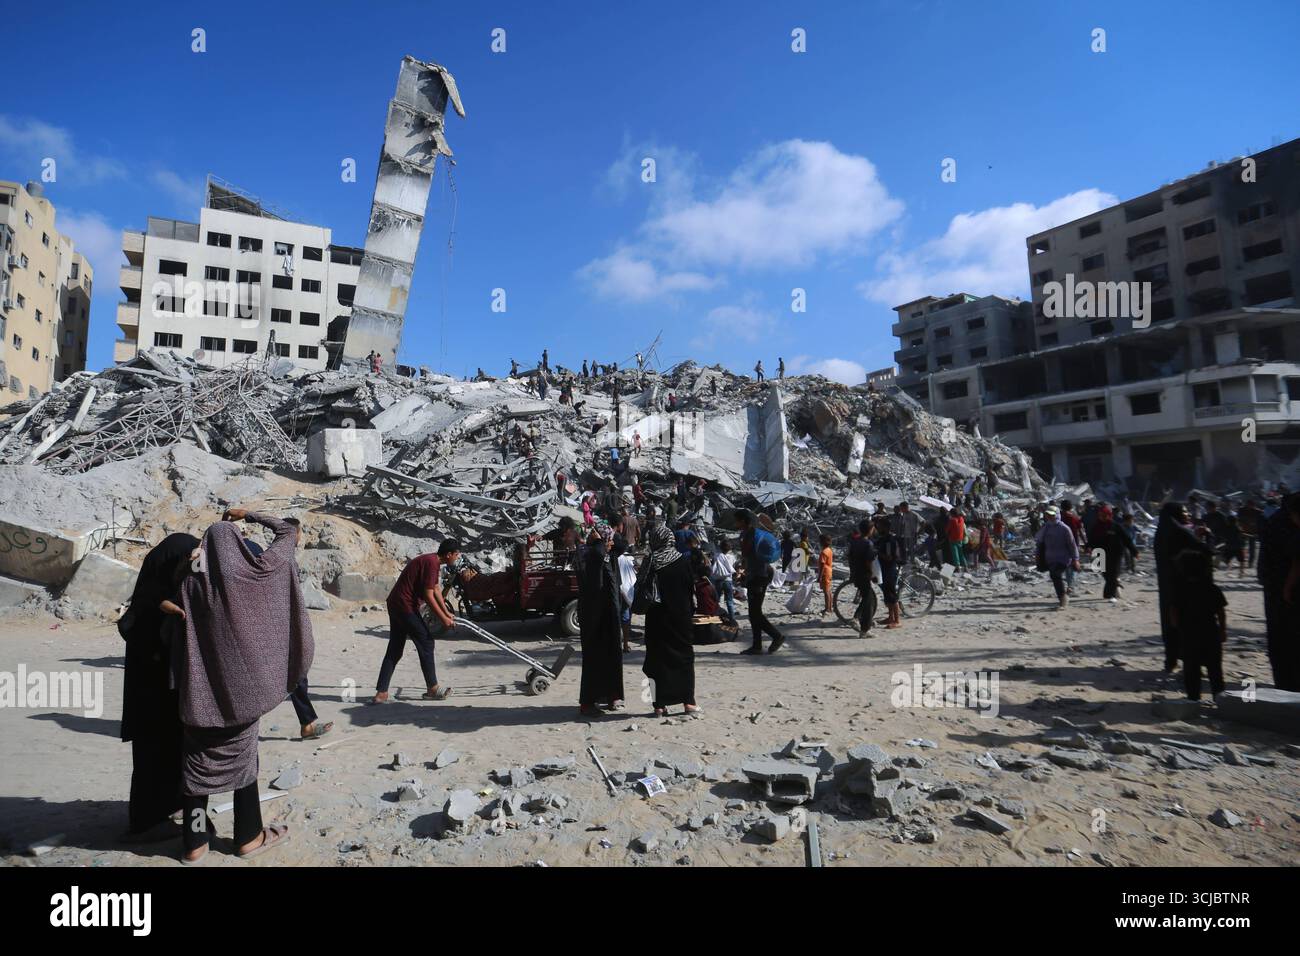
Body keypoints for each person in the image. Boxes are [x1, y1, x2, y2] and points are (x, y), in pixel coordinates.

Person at [170, 510, 312, 863]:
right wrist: (247, 514)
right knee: (243, 765)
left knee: (198, 771)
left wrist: (191, 559)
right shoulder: (261, 570)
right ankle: (248, 837)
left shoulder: (190, 586)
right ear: (237, 545)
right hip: (245, 695)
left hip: (201, 696)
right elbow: (287, 531)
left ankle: (195, 842)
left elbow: (171, 586)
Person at [119, 532, 199, 841]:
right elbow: (146, 638)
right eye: (184, 560)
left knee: (172, 750)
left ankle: (169, 806)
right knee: (153, 755)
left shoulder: (167, 592)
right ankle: (145, 823)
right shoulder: (151, 600)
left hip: (166, 693)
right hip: (151, 695)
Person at [241, 523, 332, 741]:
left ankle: (307, 723)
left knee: (297, 672)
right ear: (294, 533)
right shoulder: (274, 558)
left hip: (277, 626)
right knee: (286, 673)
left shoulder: (270, 556)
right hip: (271, 628)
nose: (300, 537)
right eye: (299, 532)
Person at [371, 541, 460, 704]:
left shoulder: (432, 561)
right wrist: (443, 619)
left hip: (396, 604)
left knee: (395, 648)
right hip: (405, 606)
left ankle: (381, 693)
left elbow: (436, 589)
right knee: (426, 642)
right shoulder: (432, 562)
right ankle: (432, 688)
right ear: (449, 554)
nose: (457, 557)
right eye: (456, 554)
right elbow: (428, 595)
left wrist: (447, 613)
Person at [639, 525, 699, 717]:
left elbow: (640, 585)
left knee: (655, 661)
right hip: (680, 617)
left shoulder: (651, 561)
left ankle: (658, 705)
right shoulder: (682, 560)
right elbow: (691, 588)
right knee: (684, 658)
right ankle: (688, 702)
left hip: (657, 617)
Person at [1153, 503, 1212, 673]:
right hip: (1187, 587)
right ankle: (1193, 662)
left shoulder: (1162, 532)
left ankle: (1171, 660)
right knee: (1189, 625)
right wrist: (1205, 536)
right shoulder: (1180, 532)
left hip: (1167, 587)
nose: (1187, 514)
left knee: (1170, 623)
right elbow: (1204, 552)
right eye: (1185, 511)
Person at [577, 530, 625, 717]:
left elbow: (622, 546)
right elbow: (596, 557)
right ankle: (588, 702)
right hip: (593, 617)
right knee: (593, 660)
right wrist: (598, 542)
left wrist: (611, 540)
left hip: (608, 617)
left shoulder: (606, 556)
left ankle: (613, 696)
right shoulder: (586, 555)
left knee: (612, 657)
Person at [1170, 549, 1227, 701]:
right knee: (1215, 670)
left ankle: (1193, 698)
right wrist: (1222, 630)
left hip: (1189, 634)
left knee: (1191, 670)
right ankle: (1219, 698)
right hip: (1210, 633)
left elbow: (1174, 612)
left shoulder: (1180, 589)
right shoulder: (1212, 588)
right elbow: (1221, 612)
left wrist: (1177, 627)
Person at [1257, 493, 1300, 691]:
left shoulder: (1276, 522)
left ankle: (1286, 684)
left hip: (1277, 589)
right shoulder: (1284, 526)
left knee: (1282, 640)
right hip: (1282, 590)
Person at [735, 509, 785, 654]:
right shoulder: (749, 534)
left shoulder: (751, 536)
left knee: (755, 613)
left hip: (759, 575)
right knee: (753, 613)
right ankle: (757, 646)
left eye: (737, 520)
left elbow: (750, 556)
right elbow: (748, 558)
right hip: (759, 574)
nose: (735, 523)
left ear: (744, 521)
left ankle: (777, 636)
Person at [1087, 504, 1137, 602]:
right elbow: (1091, 538)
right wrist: (1088, 547)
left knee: (1113, 573)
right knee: (1103, 573)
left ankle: (1110, 595)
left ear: (1109, 515)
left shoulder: (1116, 526)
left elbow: (1126, 539)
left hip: (1115, 553)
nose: (1102, 517)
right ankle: (1115, 586)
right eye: (1100, 515)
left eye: (1104, 515)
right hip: (1099, 552)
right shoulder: (1096, 526)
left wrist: (1134, 551)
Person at [1036, 507, 1080, 610]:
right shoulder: (1046, 528)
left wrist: (1076, 559)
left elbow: (1072, 545)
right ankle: (1062, 598)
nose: (1050, 517)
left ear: (1057, 515)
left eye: (1052, 515)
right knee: (1054, 577)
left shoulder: (1064, 528)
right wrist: (1038, 557)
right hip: (1050, 558)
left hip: (1063, 558)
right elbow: (1040, 543)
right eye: (1048, 515)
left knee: (1055, 574)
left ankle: (1063, 599)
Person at [847, 520, 878, 637]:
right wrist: (872, 574)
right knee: (868, 601)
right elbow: (868, 561)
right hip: (864, 575)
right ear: (870, 530)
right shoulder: (868, 544)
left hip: (856, 573)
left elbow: (849, 557)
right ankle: (864, 629)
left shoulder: (854, 541)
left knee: (866, 598)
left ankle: (860, 622)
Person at [874, 516, 903, 628]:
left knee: (892, 595)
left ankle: (897, 620)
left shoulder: (890, 540)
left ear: (885, 527)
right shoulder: (883, 538)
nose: (878, 527)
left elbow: (889, 557)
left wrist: (877, 553)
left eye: (880, 526)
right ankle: (890, 617)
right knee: (887, 594)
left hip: (890, 569)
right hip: (883, 569)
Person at [1059, 501, 1084, 594]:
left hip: (1061, 544)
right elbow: (1080, 531)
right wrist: (1085, 542)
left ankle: (1069, 584)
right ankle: (1070, 585)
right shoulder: (1074, 518)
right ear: (1071, 508)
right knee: (1073, 563)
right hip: (1074, 544)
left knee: (1067, 564)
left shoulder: (1059, 518)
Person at [710, 538, 737, 622]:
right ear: (730, 548)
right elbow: (733, 567)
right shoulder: (732, 557)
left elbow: (713, 565)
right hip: (728, 580)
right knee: (729, 600)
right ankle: (732, 619)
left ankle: (718, 617)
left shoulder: (716, 555)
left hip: (718, 580)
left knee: (717, 600)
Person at [1238, 498, 1262, 569]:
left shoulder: (1258, 512)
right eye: (1248, 505)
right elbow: (1239, 520)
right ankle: (1242, 561)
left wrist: (1258, 531)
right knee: (1242, 547)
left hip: (1253, 532)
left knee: (1252, 548)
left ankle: (1250, 562)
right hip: (1243, 531)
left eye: (1251, 505)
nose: (1249, 506)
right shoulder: (1241, 510)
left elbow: (1260, 523)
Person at [818, 534, 835, 615]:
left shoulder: (824, 552)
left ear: (822, 542)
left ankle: (827, 608)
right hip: (829, 571)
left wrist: (819, 576)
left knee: (826, 591)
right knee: (829, 591)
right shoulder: (829, 550)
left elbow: (822, 564)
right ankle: (830, 607)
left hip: (825, 573)